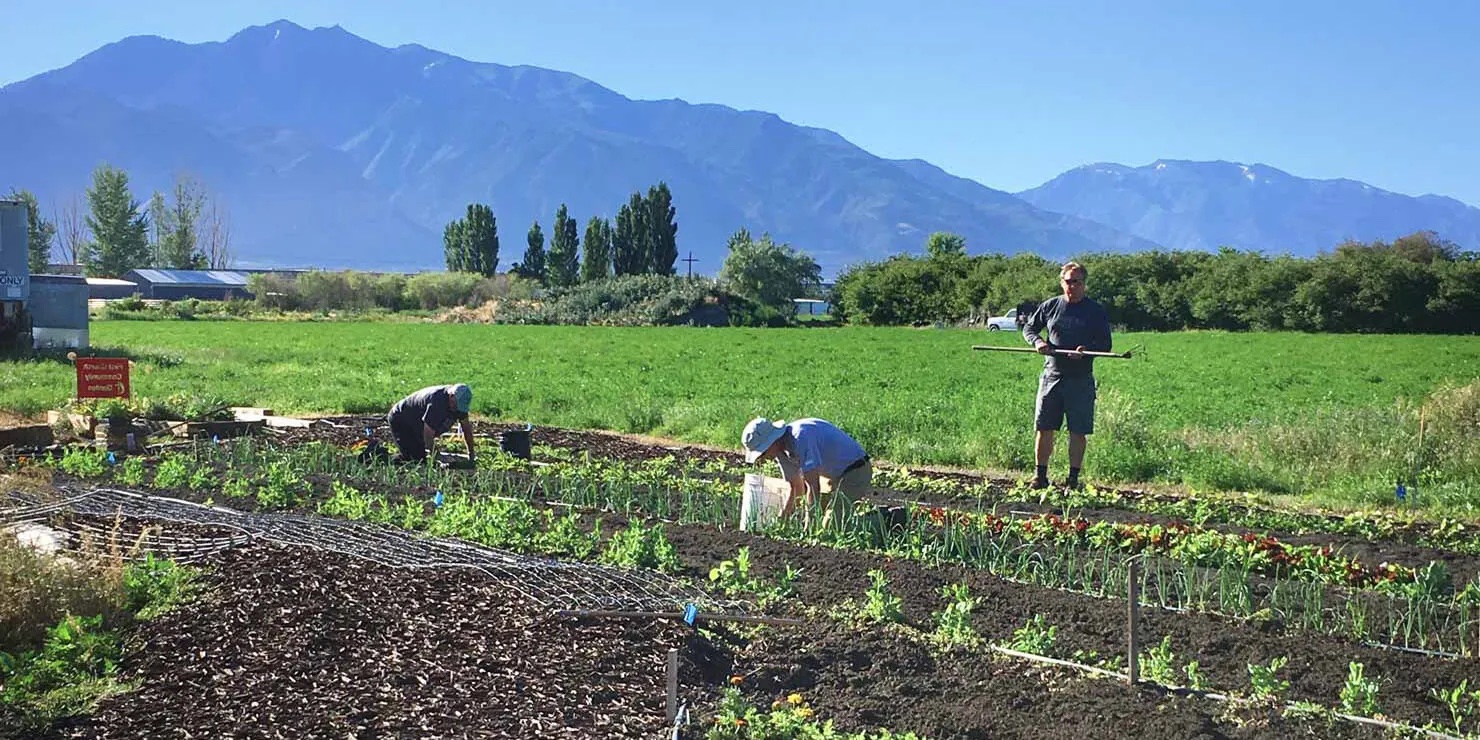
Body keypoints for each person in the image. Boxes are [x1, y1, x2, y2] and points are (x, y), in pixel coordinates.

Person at [1021, 261, 1113, 489]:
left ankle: (1073, 479)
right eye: (1068, 282)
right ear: (1061, 282)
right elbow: (1029, 328)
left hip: (1080, 380)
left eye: (1076, 282)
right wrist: (1038, 341)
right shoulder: (1050, 306)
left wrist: (1086, 350)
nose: (1072, 286)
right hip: (1052, 376)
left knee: (1078, 430)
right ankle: (1040, 477)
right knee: (1044, 427)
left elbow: (1105, 344)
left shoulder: (1095, 311)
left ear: (1084, 284)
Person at [741, 416, 872, 529]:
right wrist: (784, 517)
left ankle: (878, 522)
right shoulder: (780, 451)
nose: (762, 458)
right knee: (820, 512)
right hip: (830, 475)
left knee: (831, 524)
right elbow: (797, 487)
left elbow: (813, 486)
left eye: (763, 453)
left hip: (854, 470)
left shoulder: (800, 437)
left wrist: (809, 525)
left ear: (772, 441)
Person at [387, 383, 476, 464]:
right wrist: (437, 456)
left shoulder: (459, 406)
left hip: (418, 424)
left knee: (421, 455)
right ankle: (386, 460)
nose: (455, 408)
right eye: (455, 404)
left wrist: (471, 453)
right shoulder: (437, 402)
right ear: (451, 396)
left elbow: (466, 429)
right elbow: (428, 434)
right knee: (415, 459)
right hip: (401, 419)